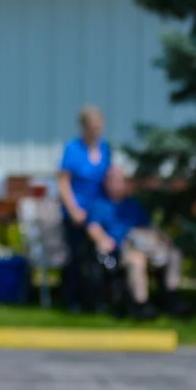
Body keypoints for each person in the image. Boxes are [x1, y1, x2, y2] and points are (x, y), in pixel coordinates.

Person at [85, 166, 188, 319]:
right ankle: (141, 304)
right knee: (136, 260)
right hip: (120, 250)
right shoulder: (99, 205)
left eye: (121, 181)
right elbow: (92, 227)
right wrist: (102, 239)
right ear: (107, 183)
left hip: (144, 246)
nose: (119, 184)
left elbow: (148, 226)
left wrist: (163, 237)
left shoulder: (132, 205)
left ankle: (171, 298)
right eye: (115, 181)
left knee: (174, 254)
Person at [57, 105, 111, 312]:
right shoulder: (73, 149)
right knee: (76, 256)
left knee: (98, 255)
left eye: (99, 125)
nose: (96, 129)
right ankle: (72, 299)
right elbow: (63, 181)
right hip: (77, 212)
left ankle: (98, 298)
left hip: (97, 212)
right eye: (92, 125)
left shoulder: (105, 148)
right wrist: (73, 209)